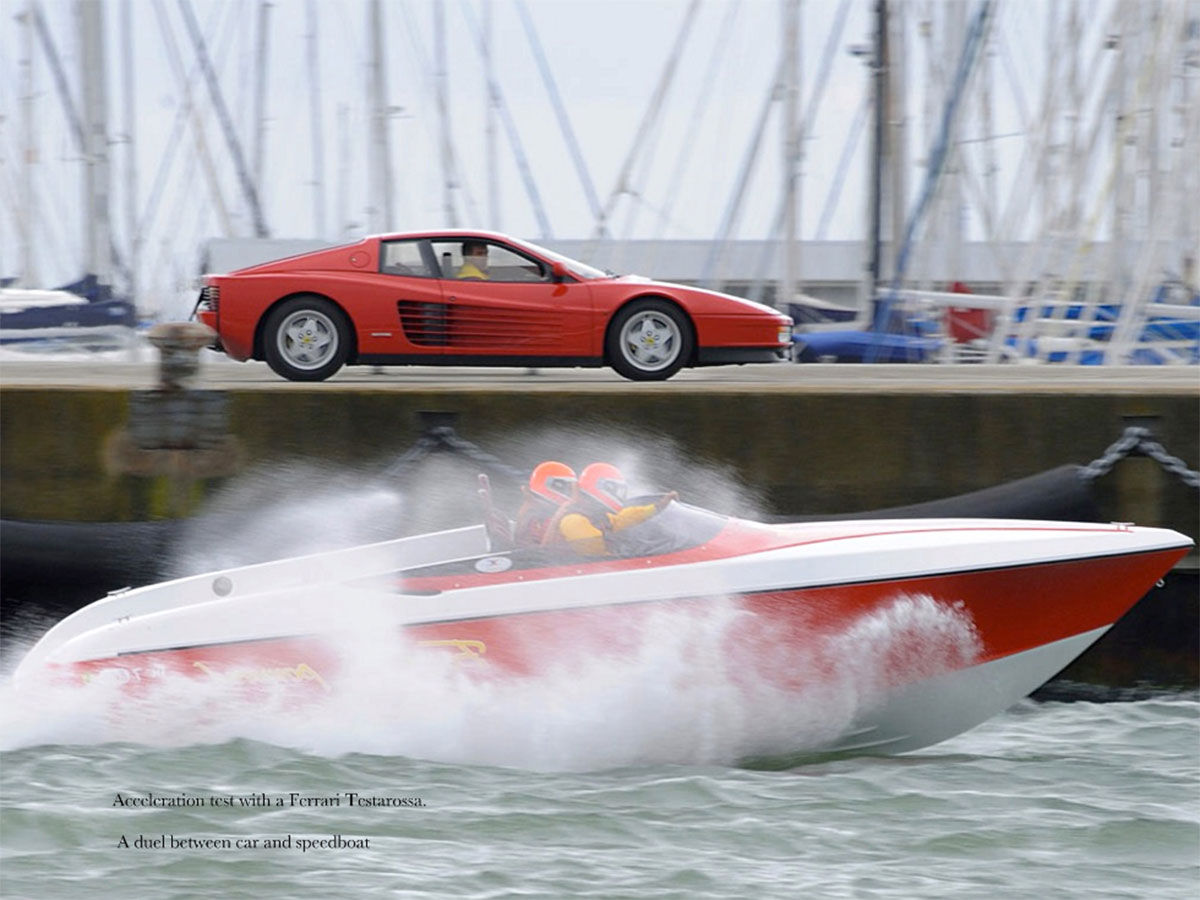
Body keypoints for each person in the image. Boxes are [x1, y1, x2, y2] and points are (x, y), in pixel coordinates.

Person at [547, 462, 674, 556]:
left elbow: (621, 519)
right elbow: (598, 559)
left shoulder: (595, 514)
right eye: (615, 490)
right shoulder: (574, 520)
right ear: (601, 488)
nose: (619, 494)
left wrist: (659, 506)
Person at [512, 461, 577, 547]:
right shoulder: (537, 518)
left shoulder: (533, 510)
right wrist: (557, 517)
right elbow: (544, 552)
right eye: (568, 488)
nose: (572, 492)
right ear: (554, 486)